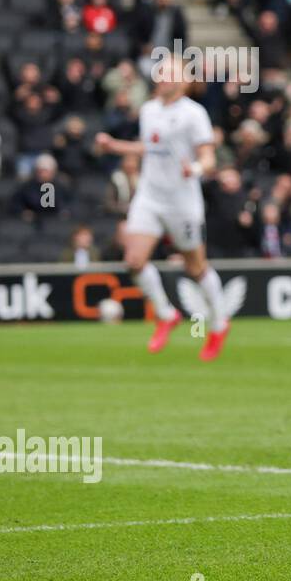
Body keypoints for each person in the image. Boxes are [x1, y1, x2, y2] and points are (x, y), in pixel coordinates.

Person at [94, 54, 230, 361]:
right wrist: (116, 146)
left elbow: (208, 156)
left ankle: (219, 323)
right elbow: (149, 146)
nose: (161, 78)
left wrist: (194, 170)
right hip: (150, 195)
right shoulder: (149, 110)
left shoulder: (194, 114)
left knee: (195, 267)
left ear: (183, 81)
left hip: (182, 200)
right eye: (160, 73)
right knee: (134, 259)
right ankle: (166, 314)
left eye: (168, 74)